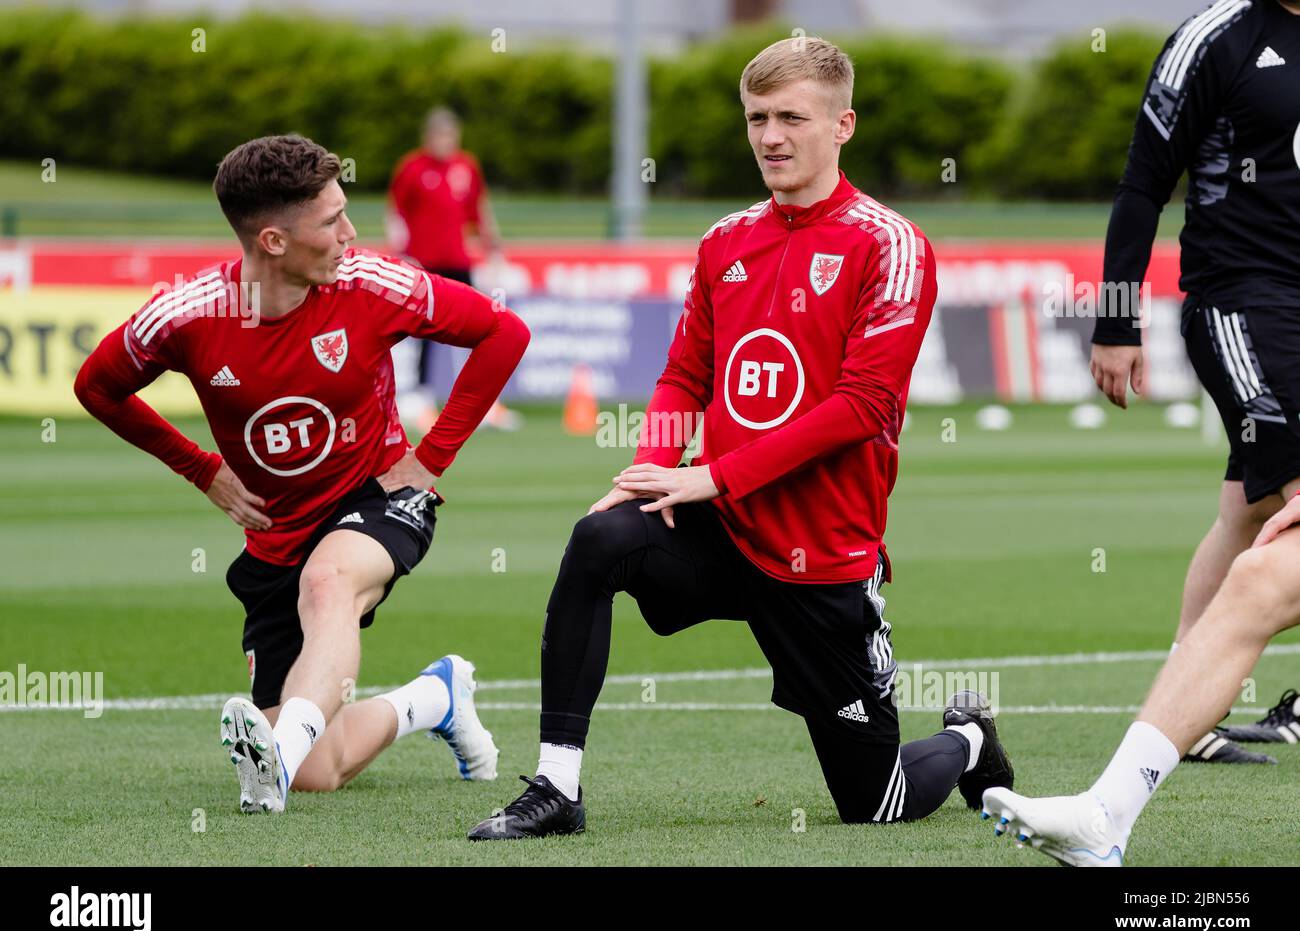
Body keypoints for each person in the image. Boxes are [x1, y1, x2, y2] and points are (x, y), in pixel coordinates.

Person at [466, 37, 1012, 841]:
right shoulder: (725, 241)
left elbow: (863, 406)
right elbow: (685, 375)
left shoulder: (889, 244)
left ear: (842, 125)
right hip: (724, 527)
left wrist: (713, 476)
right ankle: (555, 788)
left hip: (820, 551)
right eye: (758, 118)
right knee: (599, 540)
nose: (771, 137)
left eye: (792, 117)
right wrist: (652, 467)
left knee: (875, 805)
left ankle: (967, 739)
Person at [73, 134, 530, 813]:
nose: (351, 233)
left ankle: (274, 760)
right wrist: (202, 470)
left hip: (378, 498)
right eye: (331, 220)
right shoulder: (189, 314)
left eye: (347, 211)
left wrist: (431, 459)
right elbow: (96, 387)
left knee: (328, 583)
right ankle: (435, 697)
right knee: (324, 768)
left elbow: (504, 333)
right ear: (274, 241)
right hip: (275, 535)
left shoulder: (371, 283)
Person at [987, 0, 1300, 863]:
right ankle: (1144, 766)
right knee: (1281, 533)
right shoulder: (1216, 39)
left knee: (1249, 519)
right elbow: (1142, 180)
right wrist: (1116, 319)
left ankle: (1167, 736)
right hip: (1245, 306)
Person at [388, 107, 520, 432]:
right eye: (439, 135)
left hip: (459, 262)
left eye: (450, 135)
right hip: (424, 265)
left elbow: (479, 211)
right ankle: (420, 399)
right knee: (424, 333)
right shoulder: (412, 168)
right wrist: (404, 255)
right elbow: (395, 213)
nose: (445, 141)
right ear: (428, 137)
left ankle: (479, 402)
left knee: (476, 329)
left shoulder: (466, 166)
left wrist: (493, 249)